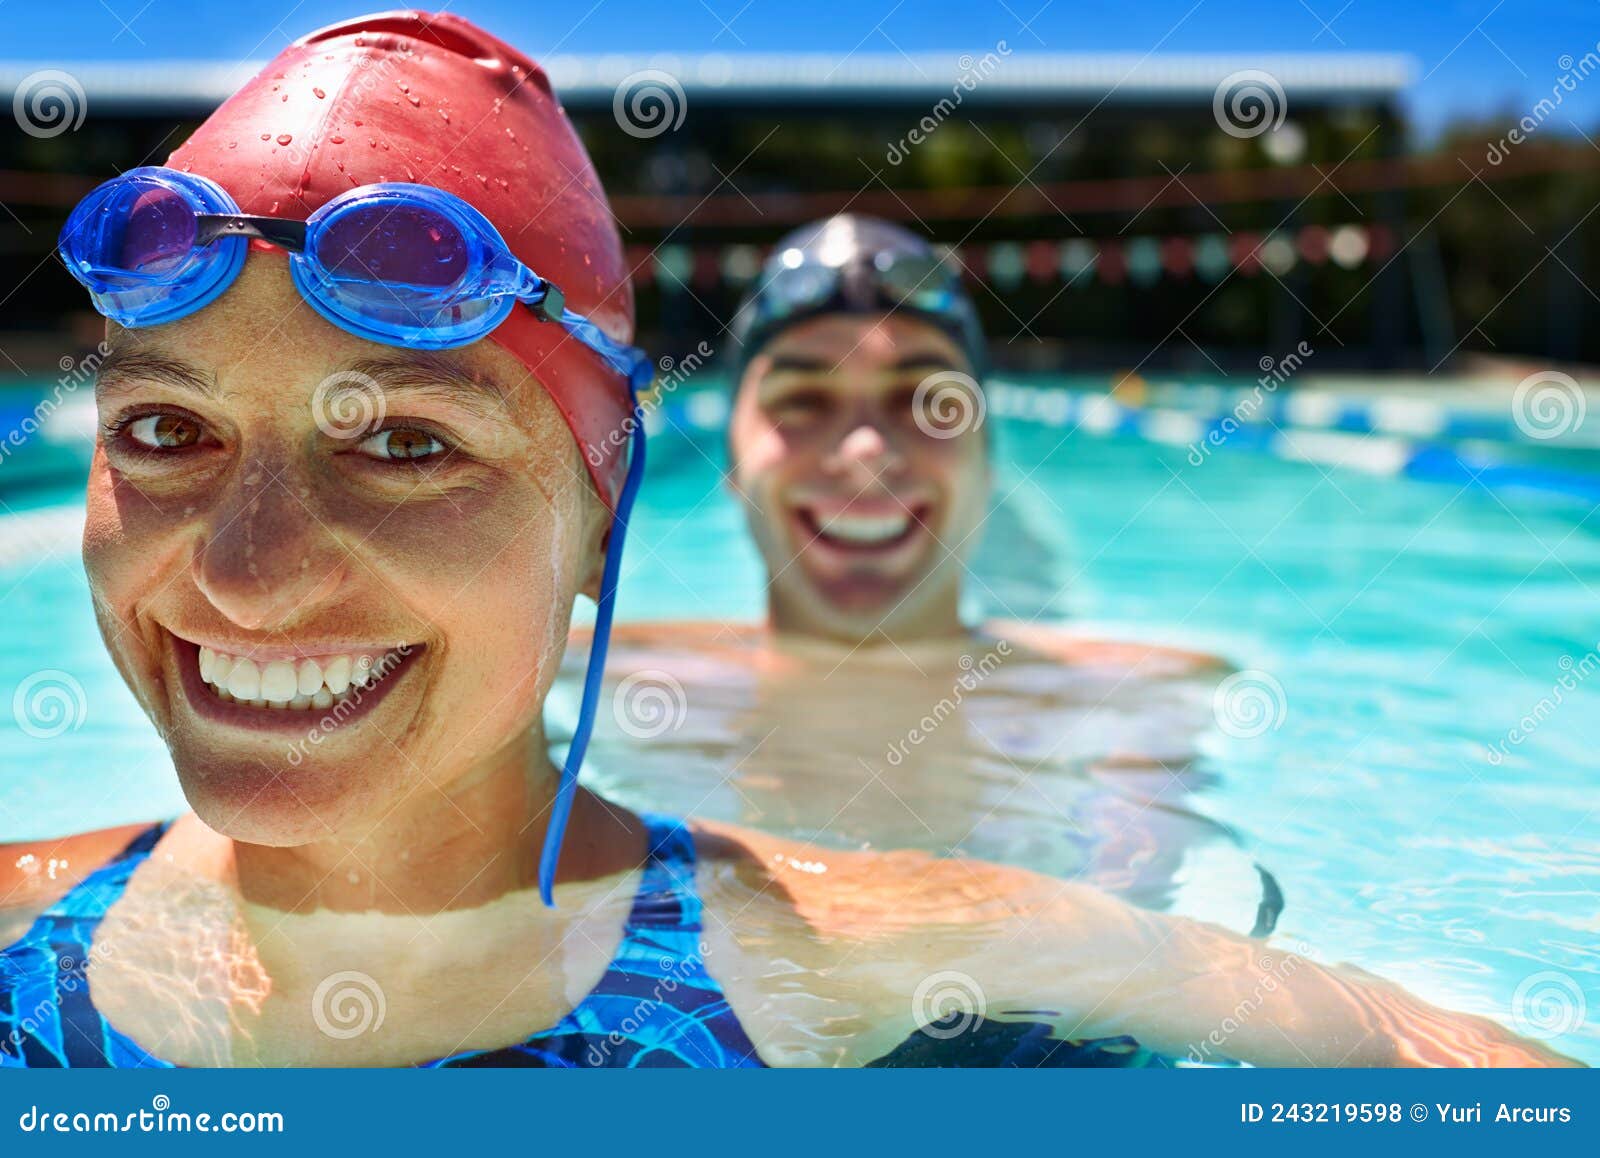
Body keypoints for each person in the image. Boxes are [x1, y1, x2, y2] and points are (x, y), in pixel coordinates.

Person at [0, 13, 1572, 1069]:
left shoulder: (870, 937)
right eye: (163, 430)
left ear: (604, 520)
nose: (246, 570)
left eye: (409, 443)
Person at [585, 216, 1277, 930]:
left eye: (926, 400)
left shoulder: (1135, 695)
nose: (865, 451)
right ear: (731, 462)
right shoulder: (594, 678)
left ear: (987, 459)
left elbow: (1139, 936)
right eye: (802, 401)